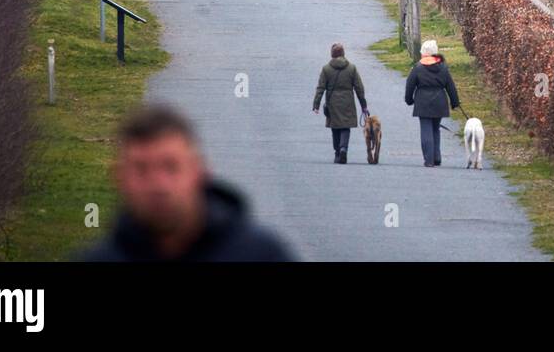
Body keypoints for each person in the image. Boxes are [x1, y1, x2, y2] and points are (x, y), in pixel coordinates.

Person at [81, 104, 293, 262]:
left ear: (200, 172)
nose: (158, 185)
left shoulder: (261, 255)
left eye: (171, 167)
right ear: (119, 178)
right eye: (141, 170)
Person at [404, 39, 460, 167]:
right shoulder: (443, 67)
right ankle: (436, 156)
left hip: (423, 102)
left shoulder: (418, 67)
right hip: (440, 101)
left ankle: (429, 159)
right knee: (435, 128)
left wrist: (409, 99)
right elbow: (450, 86)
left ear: (423, 53)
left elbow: (410, 85)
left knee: (426, 129)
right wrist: (455, 102)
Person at [311, 43, 369, 164]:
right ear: (343, 54)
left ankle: (337, 151)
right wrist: (363, 105)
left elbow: (320, 88)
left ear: (332, 54)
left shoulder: (326, 69)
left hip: (332, 102)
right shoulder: (351, 68)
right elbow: (359, 88)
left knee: (335, 128)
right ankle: (344, 149)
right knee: (345, 127)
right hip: (347, 101)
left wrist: (316, 105)